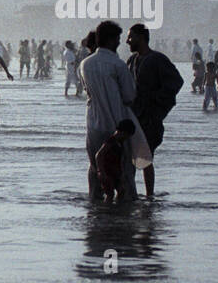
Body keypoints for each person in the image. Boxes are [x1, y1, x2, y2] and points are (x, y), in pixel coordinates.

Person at [78, 20, 140, 202]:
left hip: (94, 125)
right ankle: (125, 207)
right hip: (117, 126)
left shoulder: (85, 65)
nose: (120, 43)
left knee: (95, 166)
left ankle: (95, 203)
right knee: (124, 170)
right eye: (118, 39)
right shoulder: (118, 65)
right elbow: (129, 96)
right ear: (112, 40)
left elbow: (87, 92)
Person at [126, 23, 182, 198]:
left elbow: (176, 82)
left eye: (131, 37)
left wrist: (157, 105)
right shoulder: (131, 61)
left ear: (141, 38)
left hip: (150, 119)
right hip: (133, 118)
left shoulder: (157, 59)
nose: (128, 41)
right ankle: (131, 193)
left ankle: (149, 195)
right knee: (129, 158)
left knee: (145, 157)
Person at [93, 119, 136, 204]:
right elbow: (99, 155)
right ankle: (106, 210)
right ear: (122, 132)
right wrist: (101, 171)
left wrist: (122, 173)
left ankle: (117, 208)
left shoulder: (120, 142)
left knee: (121, 190)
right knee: (110, 194)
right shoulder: (111, 141)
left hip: (116, 172)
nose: (127, 138)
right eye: (127, 135)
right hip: (107, 172)